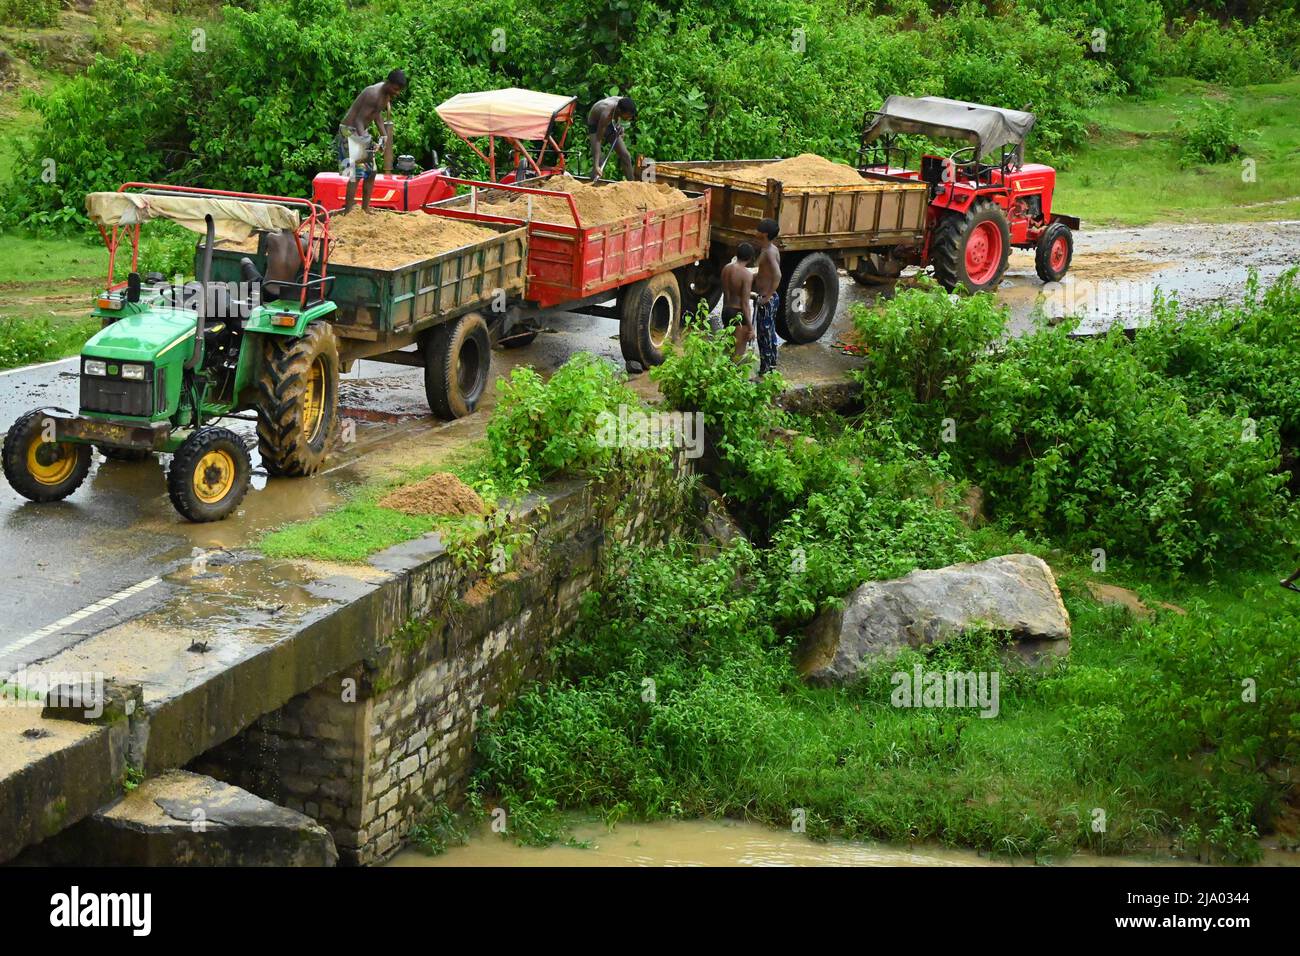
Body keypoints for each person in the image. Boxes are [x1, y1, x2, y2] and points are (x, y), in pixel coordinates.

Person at [338, 69, 408, 213]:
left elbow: (376, 116)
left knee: (372, 172)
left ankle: (365, 209)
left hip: (361, 132)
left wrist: (384, 136)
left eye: (399, 90)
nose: (397, 93)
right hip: (349, 131)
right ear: (388, 83)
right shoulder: (373, 94)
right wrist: (365, 141)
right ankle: (348, 211)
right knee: (356, 174)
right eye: (395, 89)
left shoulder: (386, 96)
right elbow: (358, 120)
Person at [753, 218, 782, 375]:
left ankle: (765, 369)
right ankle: (772, 365)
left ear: (763, 234)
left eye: (757, 230)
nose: (754, 232)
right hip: (770, 297)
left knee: (764, 335)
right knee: (769, 332)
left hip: (767, 299)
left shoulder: (768, 252)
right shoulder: (771, 249)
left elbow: (777, 275)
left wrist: (767, 296)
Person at [587, 95, 636, 182]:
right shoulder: (606, 114)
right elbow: (598, 140)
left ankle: (632, 184)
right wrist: (596, 165)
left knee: (625, 155)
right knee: (599, 162)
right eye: (628, 116)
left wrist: (619, 126)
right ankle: (591, 186)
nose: (629, 118)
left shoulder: (622, 102)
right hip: (595, 122)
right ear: (620, 111)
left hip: (609, 122)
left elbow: (618, 116)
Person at [721, 243, 756, 363]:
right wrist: (751, 328)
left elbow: (728, 292)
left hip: (726, 311)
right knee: (737, 356)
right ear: (750, 258)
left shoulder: (726, 268)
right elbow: (745, 304)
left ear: (737, 254)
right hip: (738, 314)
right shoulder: (747, 275)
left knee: (728, 350)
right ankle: (733, 379)